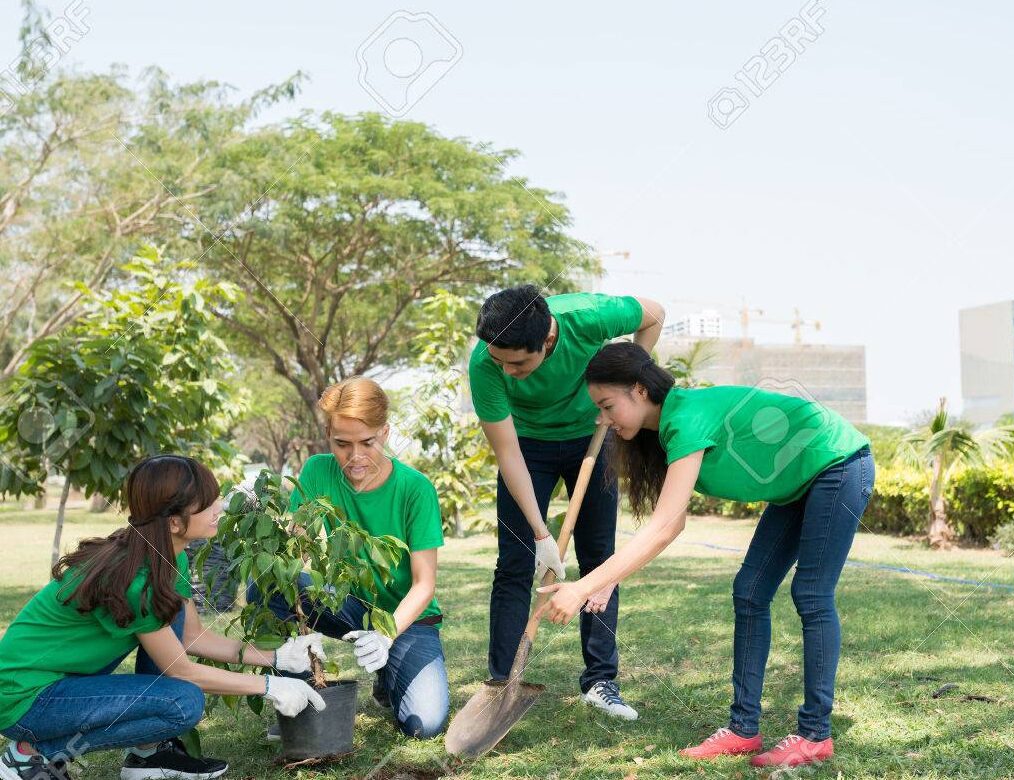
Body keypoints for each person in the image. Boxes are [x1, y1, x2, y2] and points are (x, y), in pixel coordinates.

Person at [538, 342, 874, 770]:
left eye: (607, 406)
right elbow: (668, 522)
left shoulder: (686, 418)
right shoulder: (663, 433)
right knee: (750, 591)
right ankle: (742, 729)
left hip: (838, 464)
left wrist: (583, 585)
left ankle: (814, 736)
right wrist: (607, 578)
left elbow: (664, 528)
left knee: (811, 593)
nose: (602, 419)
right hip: (799, 483)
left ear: (639, 391)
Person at [0, 455, 326, 780]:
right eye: (207, 503)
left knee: (178, 657)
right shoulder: (135, 579)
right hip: (25, 696)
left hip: (65, 682)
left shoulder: (170, 557)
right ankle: (29, 755)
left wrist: (277, 657)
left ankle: (148, 756)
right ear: (173, 521)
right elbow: (182, 671)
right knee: (183, 702)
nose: (219, 507)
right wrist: (268, 685)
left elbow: (191, 638)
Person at [469, 285, 664, 720]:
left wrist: (624, 388)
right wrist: (541, 534)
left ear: (547, 340)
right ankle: (504, 681)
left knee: (599, 561)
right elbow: (508, 453)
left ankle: (600, 681)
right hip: (527, 447)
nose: (507, 370)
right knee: (515, 563)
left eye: (518, 362)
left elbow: (654, 314)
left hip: (591, 437)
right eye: (500, 361)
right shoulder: (486, 363)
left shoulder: (587, 316)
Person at [249, 376, 449, 739]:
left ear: (384, 433)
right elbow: (295, 550)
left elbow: (424, 584)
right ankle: (300, 695)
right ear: (328, 436)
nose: (355, 457)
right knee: (268, 586)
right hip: (349, 605)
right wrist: (263, 520)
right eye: (342, 444)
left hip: (406, 619)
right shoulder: (317, 471)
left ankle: (388, 675)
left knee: (425, 725)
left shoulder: (415, 489)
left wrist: (386, 636)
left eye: (367, 443)